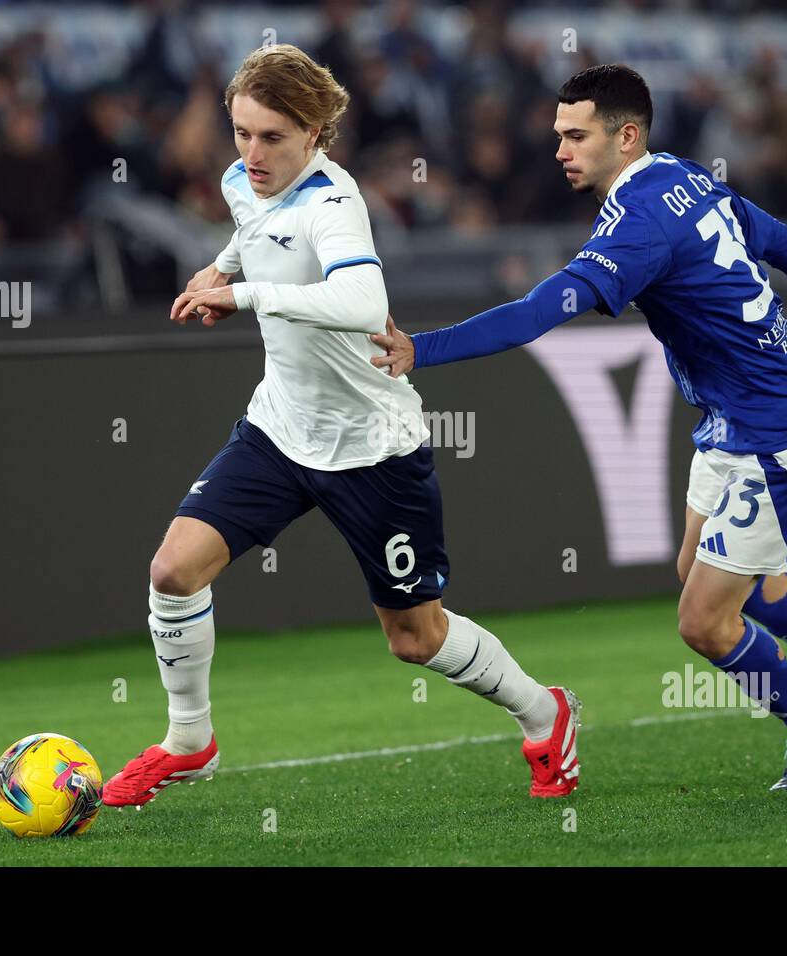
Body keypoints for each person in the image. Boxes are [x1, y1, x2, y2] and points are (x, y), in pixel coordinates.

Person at [370, 64, 787, 791]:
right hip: (736, 417)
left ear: (625, 137)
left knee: (702, 621)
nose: (560, 149)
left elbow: (540, 311)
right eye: (558, 134)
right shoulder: (680, 177)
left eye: (576, 135)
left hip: (782, 429)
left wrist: (422, 350)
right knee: (708, 577)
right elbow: (772, 234)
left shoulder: (639, 224)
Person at [102, 45, 580, 808]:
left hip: (371, 447)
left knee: (414, 638)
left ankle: (545, 713)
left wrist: (246, 295)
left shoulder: (334, 205)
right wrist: (223, 267)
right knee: (172, 570)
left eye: (272, 138)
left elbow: (361, 305)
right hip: (280, 428)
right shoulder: (241, 181)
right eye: (241, 132)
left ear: (316, 136)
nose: (251, 155)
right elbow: (255, 227)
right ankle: (189, 740)